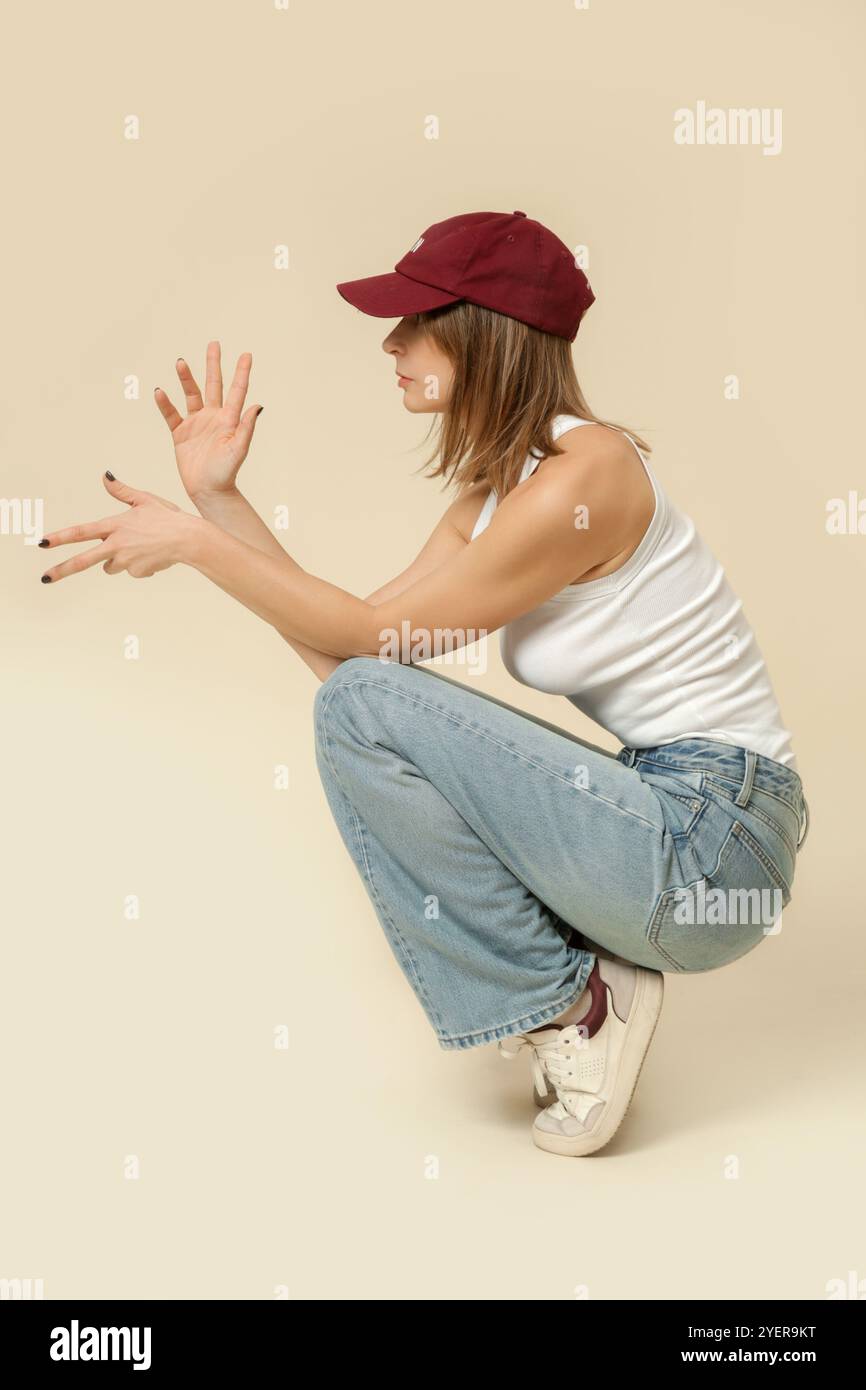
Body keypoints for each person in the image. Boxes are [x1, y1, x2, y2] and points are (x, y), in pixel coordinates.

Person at [38, 209, 810, 1158]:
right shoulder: (498, 492)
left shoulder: (588, 473)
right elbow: (356, 661)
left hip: (714, 849)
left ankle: (578, 1009)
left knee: (360, 703)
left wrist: (199, 548)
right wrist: (219, 502)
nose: (391, 343)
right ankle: (584, 997)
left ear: (485, 332)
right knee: (357, 704)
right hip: (660, 813)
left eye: (415, 320)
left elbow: (362, 648)